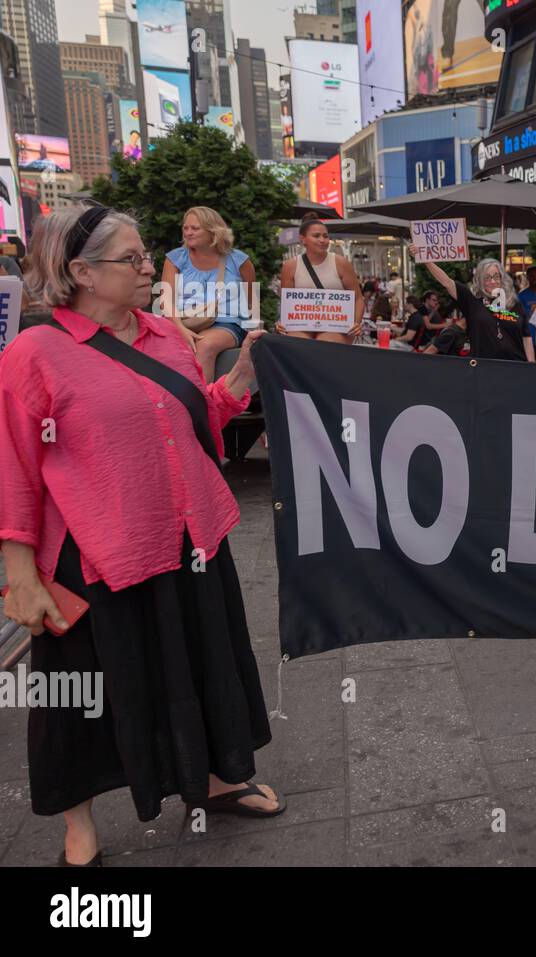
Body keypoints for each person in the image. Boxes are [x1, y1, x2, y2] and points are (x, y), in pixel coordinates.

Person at [0, 205, 283, 867]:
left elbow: (192, 421)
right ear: (81, 272)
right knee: (80, 698)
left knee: (204, 661)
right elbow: (13, 467)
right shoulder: (34, 354)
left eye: (144, 254)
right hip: (96, 552)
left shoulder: (166, 335)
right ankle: (79, 827)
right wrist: (20, 573)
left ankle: (213, 778)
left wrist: (240, 377)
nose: (149, 267)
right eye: (131, 259)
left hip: (190, 538)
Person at [159, 206, 257, 382]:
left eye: (195, 228)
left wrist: (254, 332)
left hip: (226, 323)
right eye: (185, 228)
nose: (188, 232)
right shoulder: (175, 258)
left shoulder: (238, 260)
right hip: (183, 320)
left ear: (213, 231)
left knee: (204, 345)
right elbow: (165, 300)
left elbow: (252, 302)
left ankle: (203, 406)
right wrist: (181, 329)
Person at [416, 256, 530, 362]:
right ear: (480, 280)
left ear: (502, 278)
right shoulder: (472, 301)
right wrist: (424, 259)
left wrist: (531, 363)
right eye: (487, 278)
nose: (493, 281)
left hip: (515, 367)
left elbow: (526, 336)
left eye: (496, 276)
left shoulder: (514, 303)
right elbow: (446, 282)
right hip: (483, 368)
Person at [277, 213, 363, 343]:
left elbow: (358, 299)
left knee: (326, 344)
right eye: (316, 236)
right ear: (303, 239)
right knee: (295, 343)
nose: (322, 240)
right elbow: (287, 303)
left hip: (336, 327)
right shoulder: (290, 266)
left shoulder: (341, 263)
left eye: (325, 236)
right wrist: (282, 322)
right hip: (301, 325)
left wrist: (356, 323)